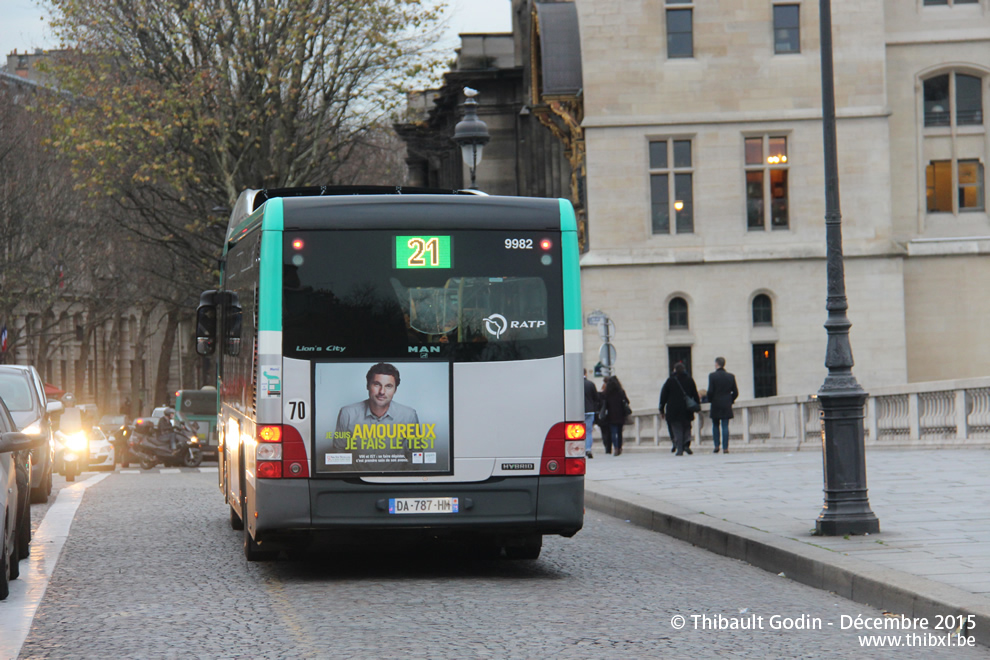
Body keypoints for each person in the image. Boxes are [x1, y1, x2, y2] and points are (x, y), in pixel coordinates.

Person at [333, 362, 420, 452]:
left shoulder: (409, 415)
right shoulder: (347, 413)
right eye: (377, 384)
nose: (382, 392)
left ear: (395, 390)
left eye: (388, 386)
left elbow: (416, 452)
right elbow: (339, 451)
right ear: (367, 386)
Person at [659, 362, 700, 456]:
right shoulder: (689, 380)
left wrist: (661, 409)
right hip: (686, 408)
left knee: (677, 428)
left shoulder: (670, 381)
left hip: (673, 409)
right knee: (687, 426)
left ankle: (680, 448)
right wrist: (697, 405)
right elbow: (695, 394)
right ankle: (686, 443)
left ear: (674, 370)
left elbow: (663, 396)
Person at [707, 356, 739, 454]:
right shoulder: (731, 376)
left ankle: (716, 445)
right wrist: (730, 399)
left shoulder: (712, 376)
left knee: (715, 425)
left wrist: (710, 400)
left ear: (716, 364)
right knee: (725, 426)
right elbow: (736, 392)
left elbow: (710, 391)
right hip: (726, 403)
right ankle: (725, 447)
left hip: (716, 403)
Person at [603, 375, 630, 456]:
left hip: (611, 415)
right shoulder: (621, 392)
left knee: (613, 432)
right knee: (619, 432)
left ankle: (615, 447)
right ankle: (619, 447)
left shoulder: (607, 393)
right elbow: (627, 401)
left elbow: (605, 405)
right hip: (620, 415)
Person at [583, 370, 600, 459]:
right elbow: (596, 398)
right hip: (589, 410)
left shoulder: (574, 384)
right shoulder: (590, 384)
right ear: (586, 374)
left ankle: (580, 449)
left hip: (578, 412)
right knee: (588, 431)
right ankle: (588, 449)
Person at [596, 377, 612, 454]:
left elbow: (597, 405)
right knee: (610, 432)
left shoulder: (600, 394)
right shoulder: (612, 393)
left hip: (602, 417)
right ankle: (610, 447)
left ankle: (606, 447)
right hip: (611, 415)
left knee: (604, 433)